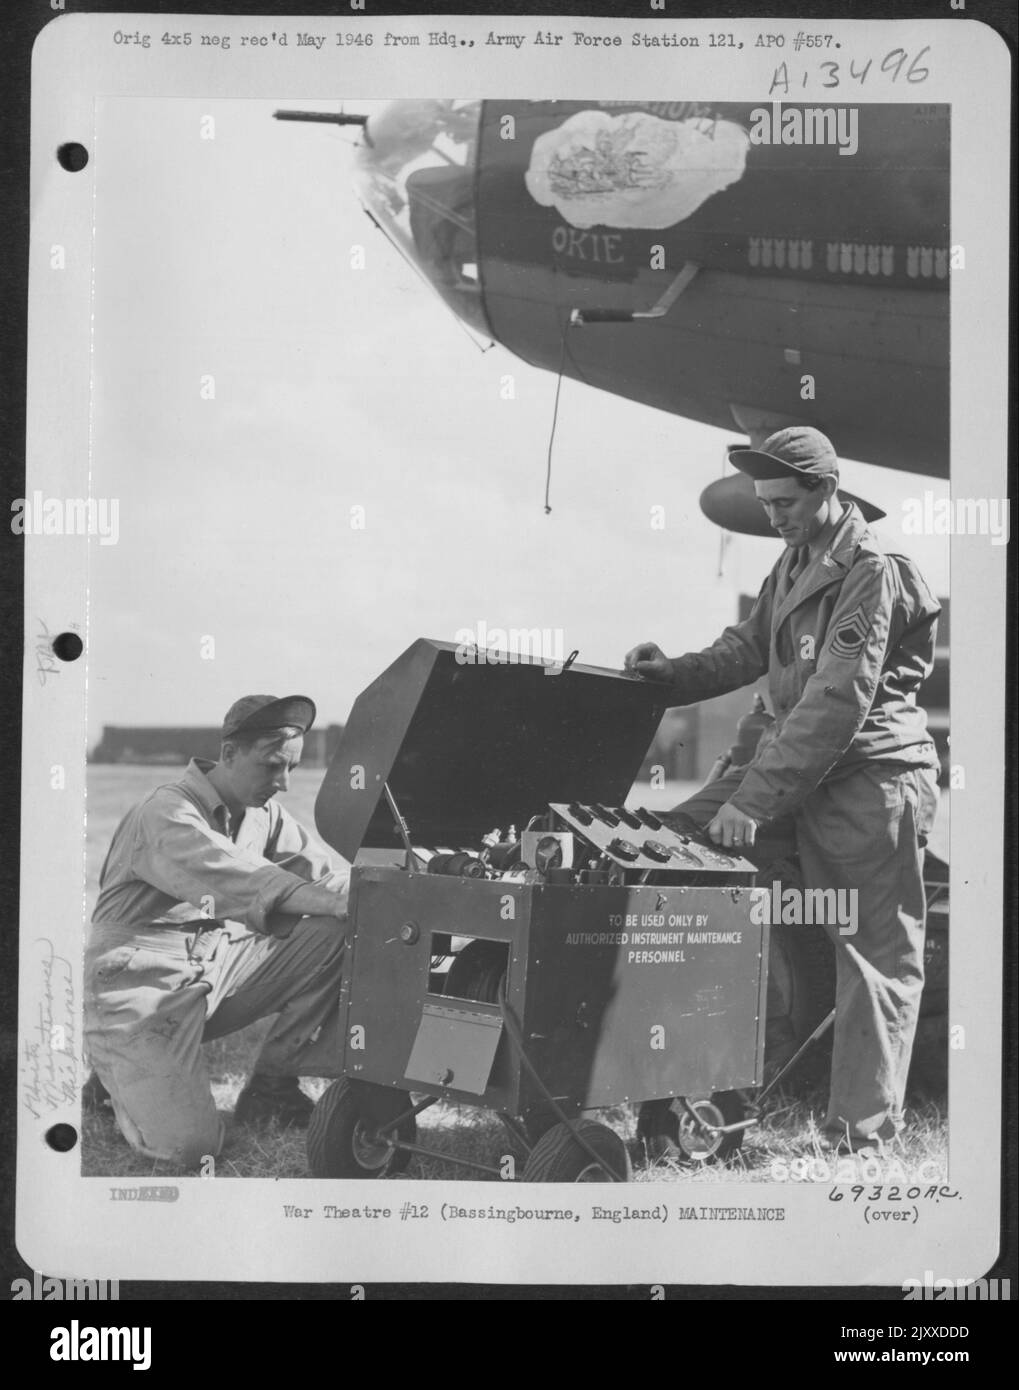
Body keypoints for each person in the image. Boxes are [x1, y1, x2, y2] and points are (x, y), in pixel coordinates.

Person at [624, 426, 941, 1150]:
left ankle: (858, 1133)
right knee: (664, 855)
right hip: (790, 767)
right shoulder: (794, 559)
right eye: (765, 505)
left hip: (869, 778)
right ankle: (687, 1089)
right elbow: (747, 647)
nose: (773, 517)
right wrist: (670, 675)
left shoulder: (872, 568)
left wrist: (750, 802)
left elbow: (835, 701)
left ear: (828, 491)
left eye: (785, 503)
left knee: (870, 952)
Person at [83, 694, 350, 1167]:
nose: (283, 783)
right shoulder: (165, 812)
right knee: (190, 1148)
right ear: (228, 755)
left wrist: (397, 879)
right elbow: (240, 879)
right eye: (272, 766)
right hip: (139, 979)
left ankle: (272, 1087)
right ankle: (110, 1079)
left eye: (290, 768)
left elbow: (325, 875)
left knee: (337, 933)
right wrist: (333, 900)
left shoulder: (263, 813)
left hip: (216, 963)